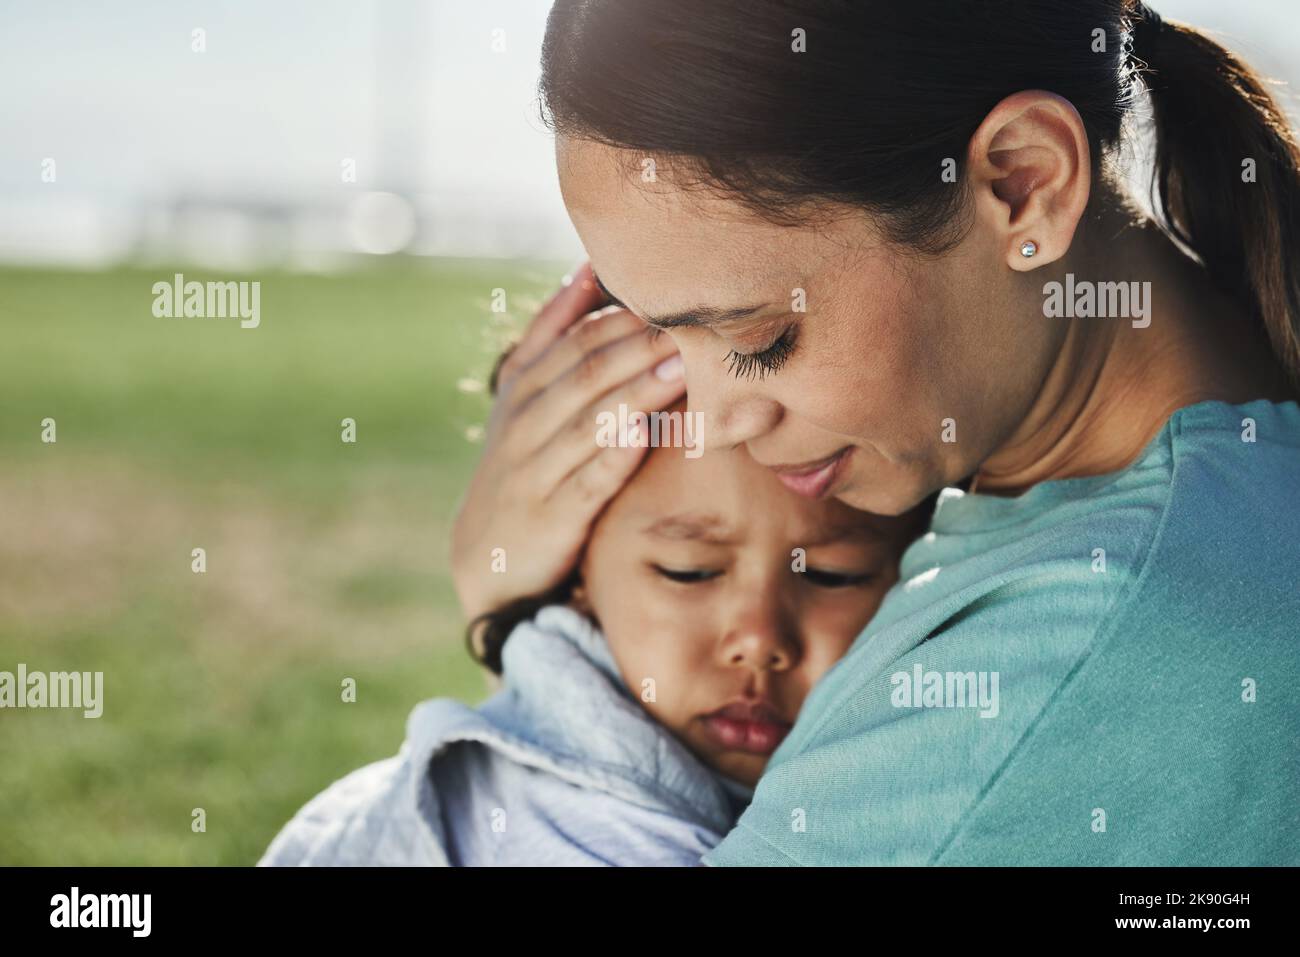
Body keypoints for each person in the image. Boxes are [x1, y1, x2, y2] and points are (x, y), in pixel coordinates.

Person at [451, 0, 1300, 864]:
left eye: (758, 339)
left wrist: (510, 619)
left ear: (1023, 182)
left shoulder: (1069, 658)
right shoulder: (1216, 463)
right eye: (659, 331)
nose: (712, 424)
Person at [260, 391, 923, 866]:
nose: (758, 637)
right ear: (577, 567)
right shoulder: (582, 832)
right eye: (688, 571)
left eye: (834, 574)